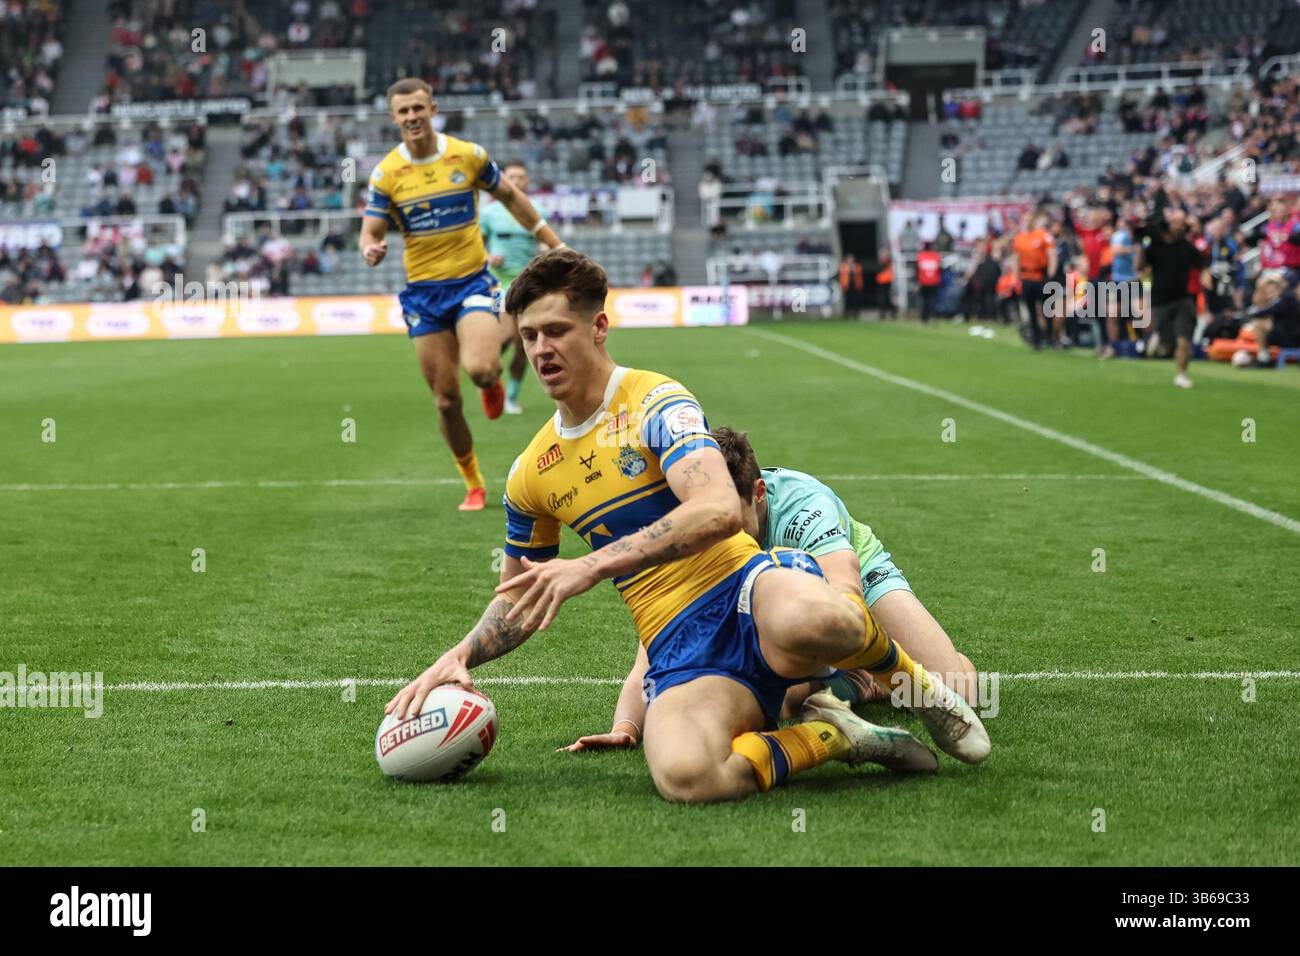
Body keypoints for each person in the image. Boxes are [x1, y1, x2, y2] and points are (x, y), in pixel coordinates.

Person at [385, 248, 990, 803]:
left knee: (822, 615)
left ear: (598, 328)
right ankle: (835, 740)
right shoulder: (530, 474)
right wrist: (461, 654)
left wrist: (593, 564)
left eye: (556, 331)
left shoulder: (656, 401)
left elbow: (719, 509)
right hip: (679, 648)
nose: (541, 349)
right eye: (529, 335)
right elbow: (521, 595)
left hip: (751, 591)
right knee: (686, 777)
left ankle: (908, 680)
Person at [564, 427, 979, 753]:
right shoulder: (699, 530)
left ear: (758, 494)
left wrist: (853, 644)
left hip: (855, 592)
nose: (720, 529)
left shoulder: (802, 505)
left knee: (959, 689)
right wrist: (625, 728)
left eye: (731, 514)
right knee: (758, 706)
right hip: (779, 618)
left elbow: (844, 583)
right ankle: (847, 686)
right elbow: (653, 652)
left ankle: (860, 675)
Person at [360, 79, 564, 511]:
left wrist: (552, 242)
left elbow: (510, 196)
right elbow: (372, 228)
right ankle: (473, 482)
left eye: (419, 108)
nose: (412, 117)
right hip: (423, 296)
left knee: (480, 367)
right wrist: (370, 247)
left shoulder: (468, 156)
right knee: (446, 399)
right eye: (403, 111)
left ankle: (490, 382)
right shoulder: (386, 174)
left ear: (432, 109)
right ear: (393, 118)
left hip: (472, 282)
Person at [480, 159, 540, 416]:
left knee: (522, 343)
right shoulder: (489, 213)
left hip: (528, 286)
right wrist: (488, 258)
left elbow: (544, 241)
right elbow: (475, 246)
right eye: (511, 177)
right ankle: (489, 377)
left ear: (527, 181)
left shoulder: (536, 210)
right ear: (504, 179)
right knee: (502, 336)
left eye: (521, 178)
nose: (516, 182)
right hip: (497, 285)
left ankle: (511, 396)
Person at [1142, 206, 1205, 389]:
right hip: (1160, 300)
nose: (1178, 227)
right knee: (1164, 342)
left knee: (1183, 340)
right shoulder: (1155, 246)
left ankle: (1182, 374)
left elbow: (1202, 262)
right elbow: (1141, 265)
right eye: (1175, 223)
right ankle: (1156, 339)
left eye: (1181, 223)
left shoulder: (1188, 247)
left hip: (1183, 300)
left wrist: (1206, 274)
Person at [1012, 212, 1056, 349]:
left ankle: (1050, 337)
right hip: (1027, 277)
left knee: (1047, 309)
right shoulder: (1020, 238)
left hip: (1040, 277)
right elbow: (1017, 258)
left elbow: (1052, 255)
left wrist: (1050, 274)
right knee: (1031, 310)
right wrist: (1016, 276)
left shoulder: (1043, 235)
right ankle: (1036, 339)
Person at [916, 241, 941, 322]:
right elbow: (939, 269)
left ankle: (925, 317)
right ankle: (933, 316)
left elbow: (917, 269)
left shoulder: (921, 256)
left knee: (924, 300)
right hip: (934, 281)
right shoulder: (936, 256)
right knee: (933, 300)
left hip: (924, 281)